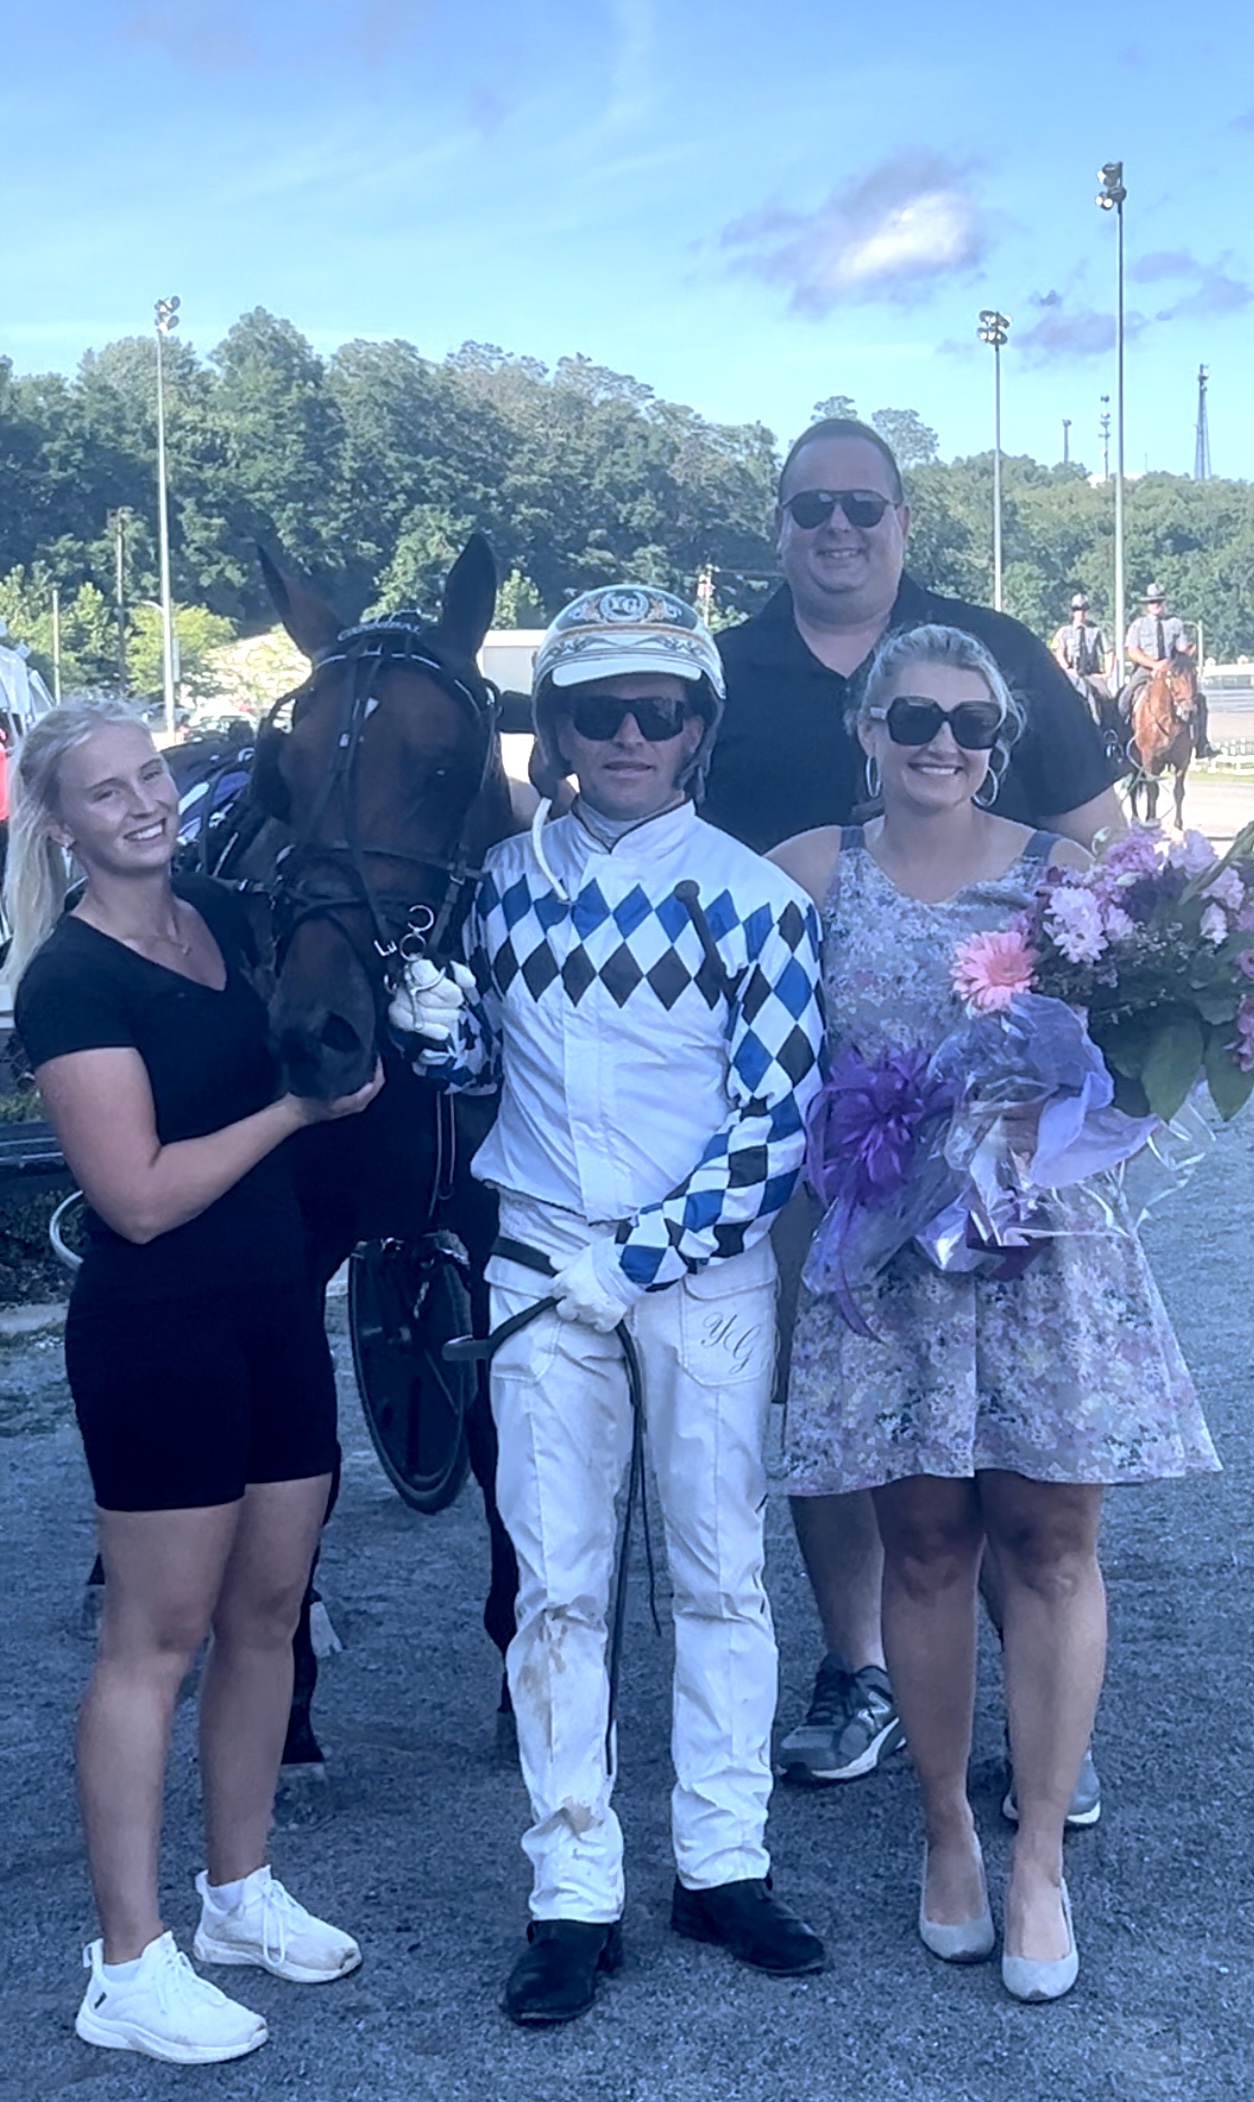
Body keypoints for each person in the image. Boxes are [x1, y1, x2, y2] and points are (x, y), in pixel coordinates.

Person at [392, 586, 827, 2025]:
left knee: (718, 1571)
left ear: (699, 727)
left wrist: (635, 1258)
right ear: (557, 730)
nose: (632, 733)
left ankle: (722, 1859)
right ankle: (570, 1884)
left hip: (689, 1275)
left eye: (662, 709)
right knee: (557, 1586)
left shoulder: (758, 901)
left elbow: (774, 1126)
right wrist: (445, 1048)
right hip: (539, 1263)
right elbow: (481, 1089)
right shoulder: (495, 889)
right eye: (600, 710)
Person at [770, 622, 1218, 2000]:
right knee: (920, 1545)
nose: (942, 745)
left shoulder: (1064, 876)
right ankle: (943, 1827)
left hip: (1040, 1250)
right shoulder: (807, 873)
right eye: (913, 717)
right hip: (893, 1256)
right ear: (865, 727)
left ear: (999, 744)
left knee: (1052, 1538)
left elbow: (1157, 1054)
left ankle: (1036, 1856)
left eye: (971, 726)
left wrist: (1075, 1120)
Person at [700, 416, 1121, 1799]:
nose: (838, 527)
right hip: (823, 1130)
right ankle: (856, 1666)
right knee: (841, 1417)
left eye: (863, 505)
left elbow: (1111, 862)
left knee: (1012, 1438)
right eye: (811, 505)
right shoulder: (724, 671)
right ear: (777, 524)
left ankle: (1035, 1717)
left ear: (901, 522)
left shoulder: (983, 645)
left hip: (1003, 1150)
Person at [6, 700, 378, 2066]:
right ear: (63, 825)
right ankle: (127, 1956)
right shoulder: (71, 982)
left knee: (267, 1613)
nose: (142, 803)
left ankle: (236, 1892)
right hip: (157, 1329)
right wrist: (293, 1111)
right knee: (151, 1642)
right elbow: (143, 1196)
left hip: (276, 1313)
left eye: (150, 774)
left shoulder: (224, 910)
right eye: (105, 794)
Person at [1124, 583, 1212, 757]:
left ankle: (1202, 743)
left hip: (1171, 670)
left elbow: (1181, 650)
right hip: (1146, 670)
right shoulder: (1138, 625)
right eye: (1152, 602)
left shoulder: (1175, 624)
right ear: (1147, 605)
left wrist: (1180, 658)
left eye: (1158, 601)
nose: (1155, 604)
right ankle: (1123, 741)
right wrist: (1154, 665)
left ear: (1164, 602)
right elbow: (1132, 651)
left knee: (1198, 700)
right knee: (1123, 699)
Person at [1050, 594, 1112, 722]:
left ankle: (1109, 732)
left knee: (1107, 698)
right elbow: (1058, 652)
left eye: (1084, 609)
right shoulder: (1064, 632)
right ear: (1072, 612)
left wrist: (1106, 674)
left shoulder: (1096, 631)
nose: (1081, 613)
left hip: (1091, 675)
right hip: (1071, 675)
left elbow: (1109, 651)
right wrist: (1067, 668)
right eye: (1077, 609)